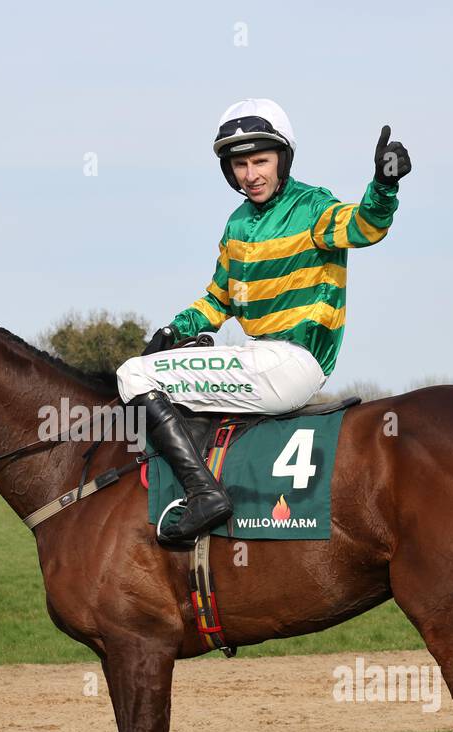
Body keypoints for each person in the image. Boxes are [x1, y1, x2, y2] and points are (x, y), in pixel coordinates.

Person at [117, 98, 412, 543]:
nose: (250, 174)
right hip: (257, 360)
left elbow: (365, 226)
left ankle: (204, 495)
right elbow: (219, 299)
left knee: (132, 376)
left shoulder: (313, 207)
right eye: (240, 164)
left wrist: (384, 186)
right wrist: (173, 330)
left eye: (261, 161)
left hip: (291, 363)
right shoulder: (237, 225)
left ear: (282, 160)